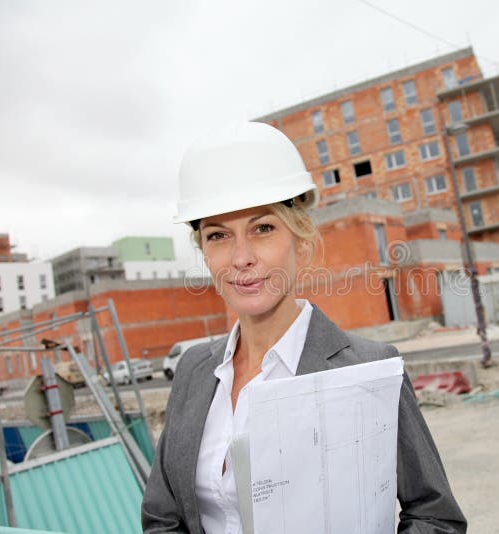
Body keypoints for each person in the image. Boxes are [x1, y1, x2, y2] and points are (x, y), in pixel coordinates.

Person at [142, 122, 467, 534]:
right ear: (204, 252)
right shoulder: (193, 371)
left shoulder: (367, 372)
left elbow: (436, 517)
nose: (241, 257)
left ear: (300, 240)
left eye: (263, 229)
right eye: (219, 235)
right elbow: (161, 518)